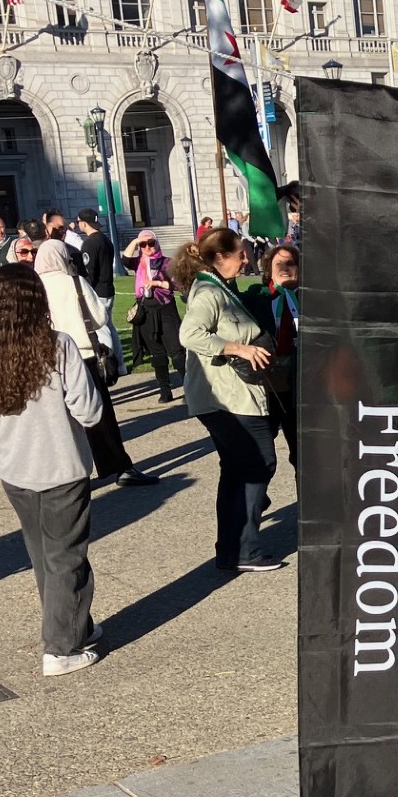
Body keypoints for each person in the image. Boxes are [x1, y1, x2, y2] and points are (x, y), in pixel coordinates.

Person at [0, 264, 106, 677]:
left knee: (43, 554)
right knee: (66, 557)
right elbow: (90, 411)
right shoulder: (58, 347)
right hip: (62, 466)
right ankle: (60, 648)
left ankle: (72, 625)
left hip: (15, 469)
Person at [174, 230, 284, 573]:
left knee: (237, 470)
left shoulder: (219, 287)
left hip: (229, 395)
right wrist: (238, 347)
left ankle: (231, 549)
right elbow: (189, 334)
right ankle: (245, 550)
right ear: (220, 256)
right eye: (240, 254)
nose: (246, 259)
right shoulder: (208, 291)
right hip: (225, 397)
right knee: (258, 462)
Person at [34, 239, 156, 487]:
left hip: (49, 357)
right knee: (99, 414)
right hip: (82, 354)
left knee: (61, 418)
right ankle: (119, 466)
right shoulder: (74, 282)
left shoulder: (35, 286)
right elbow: (100, 316)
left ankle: (71, 472)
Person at [126, 229, 182, 403]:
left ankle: (189, 385)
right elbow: (125, 259)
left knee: (177, 351)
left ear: (157, 244)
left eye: (151, 243)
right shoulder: (139, 263)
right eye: (144, 245)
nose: (148, 247)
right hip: (147, 311)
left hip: (165, 308)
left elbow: (177, 285)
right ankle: (165, 390)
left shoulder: (166, 262)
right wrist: (137, 241)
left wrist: (158, 283)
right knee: (157, 354)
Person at [258, 242, 300, 469]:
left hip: (300, 390)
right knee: (260, 457)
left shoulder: (312, 302)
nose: (285, 268)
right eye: (279, 263)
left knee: (303, 456)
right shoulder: (258, 299)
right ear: (269, 270)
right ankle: (255, 500)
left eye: (290, 263)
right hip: (266, 389)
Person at [74, 209, 117, 314]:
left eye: (78, 221)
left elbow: (89, 271)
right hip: (108, 289)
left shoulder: (90, 243)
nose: (78, 224)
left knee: (100, 327)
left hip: (97, 291)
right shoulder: (105, 239)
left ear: (84, 223)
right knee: (108, 325)